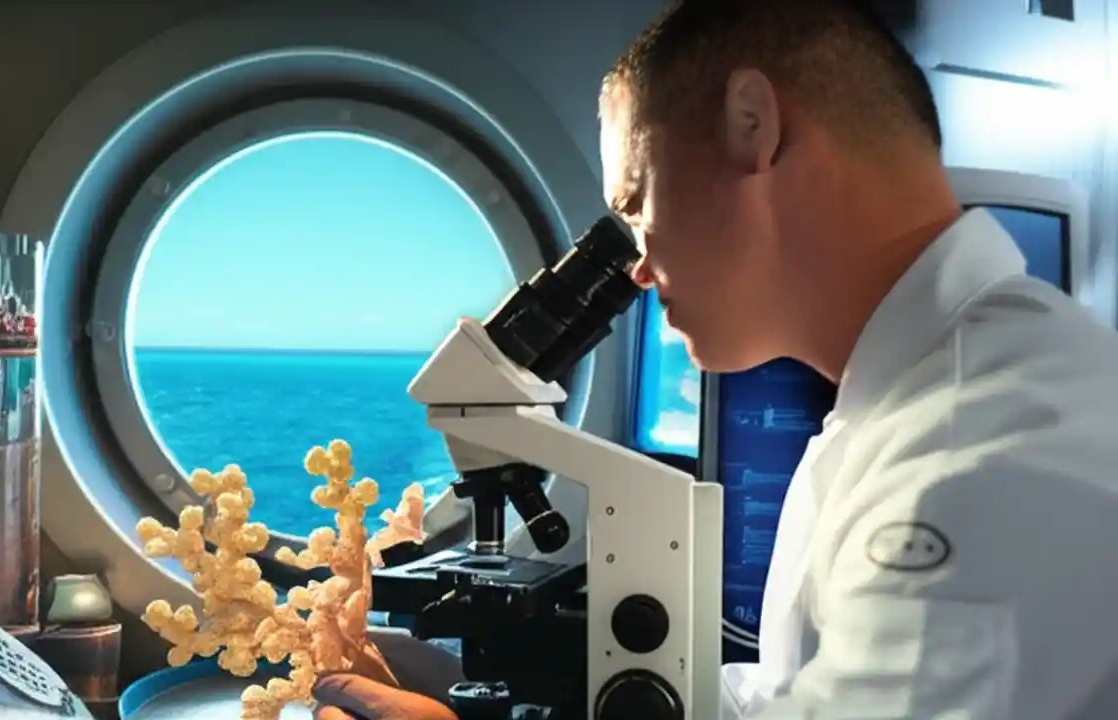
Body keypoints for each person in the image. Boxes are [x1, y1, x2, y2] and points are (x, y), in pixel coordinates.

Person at [314, 0, 1118, 717]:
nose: (635, 266)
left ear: (752, 126)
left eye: (635, 204)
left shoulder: (976, 453)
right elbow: (788, 699)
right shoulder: (900, 401)